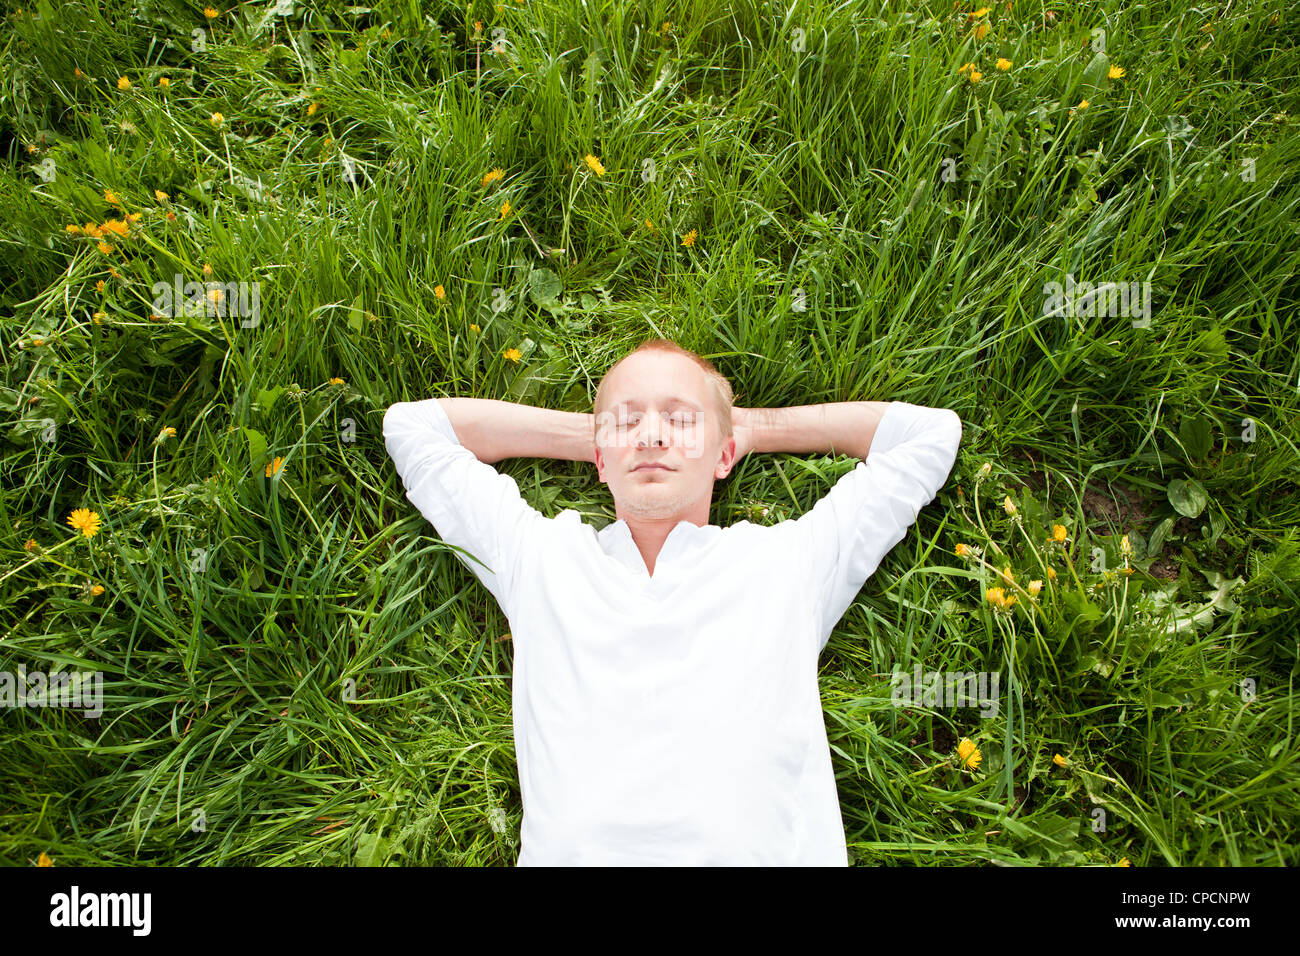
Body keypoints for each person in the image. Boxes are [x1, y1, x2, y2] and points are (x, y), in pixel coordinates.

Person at [382, 338, 962, 865]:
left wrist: (742, 429)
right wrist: (607, 439)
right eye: (629, 421)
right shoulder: (542, 559)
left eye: (680, 420)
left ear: (725, 457)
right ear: (599, 461)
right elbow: (415, 429)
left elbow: (928, 437)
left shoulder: (789, 563)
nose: (653, 435)